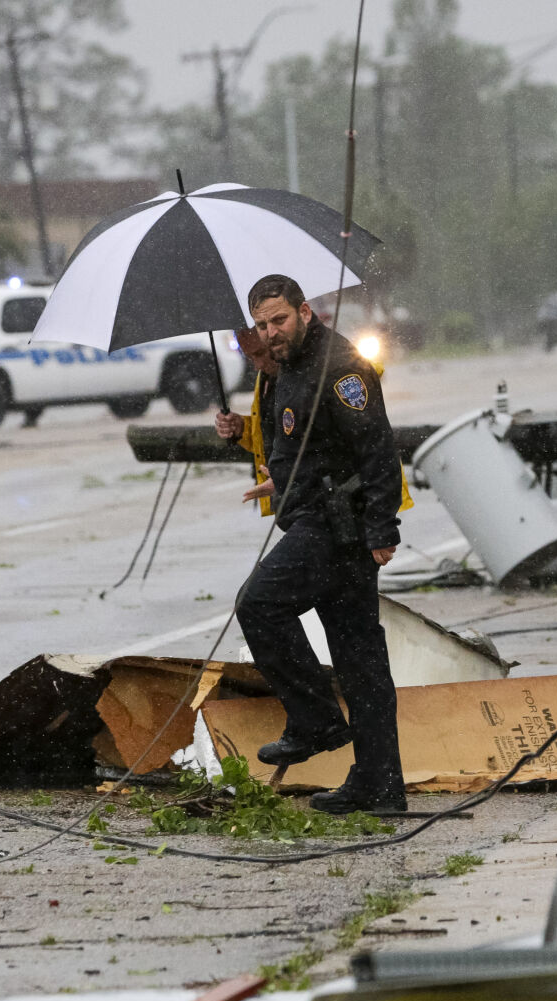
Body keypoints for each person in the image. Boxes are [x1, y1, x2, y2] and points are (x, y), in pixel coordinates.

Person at [213, 274, 408, 813]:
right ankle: (381, 786)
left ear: (305, 312)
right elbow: (312, 447)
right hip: (319, 518)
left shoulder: (338, 366)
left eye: (279, 320)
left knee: (259, 604)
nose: (270, 333)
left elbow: (375, 447)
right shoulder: (288, 370)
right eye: (261, 325)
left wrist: (382, 528)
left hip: (335, 528)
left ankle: (315, 721)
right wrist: (272, 468)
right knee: (361, 662)